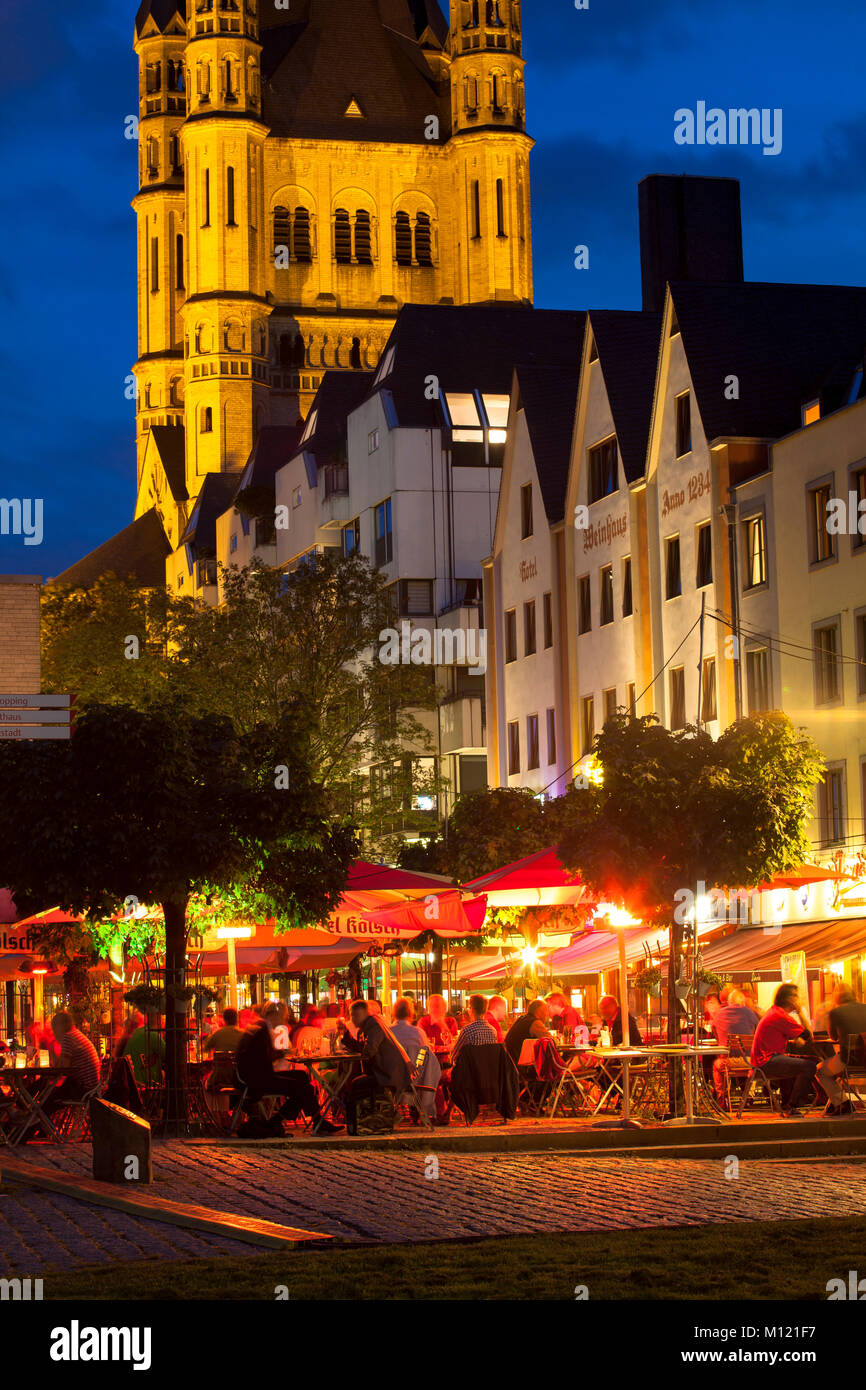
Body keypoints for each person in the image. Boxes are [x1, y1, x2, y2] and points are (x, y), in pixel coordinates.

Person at [235, 1003, 342, 1134]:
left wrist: (280, 1053)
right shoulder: (262, 1031)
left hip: (256, 1076)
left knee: (302, 1077)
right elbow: (262, 1059)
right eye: (283, 1017)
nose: (284, 1021)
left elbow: (261, 1058)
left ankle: (316, 1120)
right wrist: (281, 1053)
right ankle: (281, 1121)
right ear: (276, 1015)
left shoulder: (259, 1027)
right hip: (257, 1080)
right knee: (302, 1087)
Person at [337, 999, 413, 1133]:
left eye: (357, 1015)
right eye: (353, 1015)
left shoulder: (373, 1026)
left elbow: (369, 1051)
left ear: (366, 1014)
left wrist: (359, 1048)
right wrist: (346, 1035)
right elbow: (362, 1048)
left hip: (388, 1075)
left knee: (355, 1084)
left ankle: (359, 1123)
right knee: (354, 1083)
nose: (354, 1019)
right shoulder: (368, 1026)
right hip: (386, 1072)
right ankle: (360, 1122)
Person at [750, 983, 818, 1117]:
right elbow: (808, 1035)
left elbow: (800, 1039)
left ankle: (823, 1098)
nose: (800, 1000)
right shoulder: (780, 1015)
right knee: (809, 1066)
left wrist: (799, 1038)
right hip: (766, 1062)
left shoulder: (775, 1012)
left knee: (814, 1061)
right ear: (789, 999)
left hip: (763, 1060)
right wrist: (800, 1011)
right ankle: (792, 1106)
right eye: (797, 997)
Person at [40, 1011, 99, 1124]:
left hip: (82, 1088)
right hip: (91, 1088)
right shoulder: (75, 1034)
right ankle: (37, 1123)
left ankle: (24, 1113)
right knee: (45, 1092)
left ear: (61, 1026)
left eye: (54, 1028)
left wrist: (52, 1047)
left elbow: (63, 1070)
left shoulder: (68, 1038)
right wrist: (52, 1047)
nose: (53, 1032)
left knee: (46, 1098)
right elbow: (61, 1066)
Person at [817, 986, 866, 1114]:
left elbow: (833, 1037)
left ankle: (843, 1104)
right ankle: (836, 1104)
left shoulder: (836, 1012)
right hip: (864, 1059)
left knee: (820, 1071)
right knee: (837, 1076)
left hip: (849, 1059)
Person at [505, 998, 553, 1067]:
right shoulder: (535, 1023)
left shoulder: (521, 1019)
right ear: (539, 1012)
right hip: (522, 1063)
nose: (547, 1014)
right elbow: (550, 1040)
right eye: (546, 1011)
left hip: (510, 1060)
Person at [451, 994, 498, 1063]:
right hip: (488, 1072)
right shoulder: (493, 1031)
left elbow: (454, 1055)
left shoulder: (467, 1030)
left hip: (470, 1072)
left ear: (472, 1009)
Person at [123, 1011, 166, 1086]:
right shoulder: (152, 1035)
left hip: (130, 1082)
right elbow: (172, 1057)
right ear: (160, 1020)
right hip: (143, 1086)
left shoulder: (139, 1032)